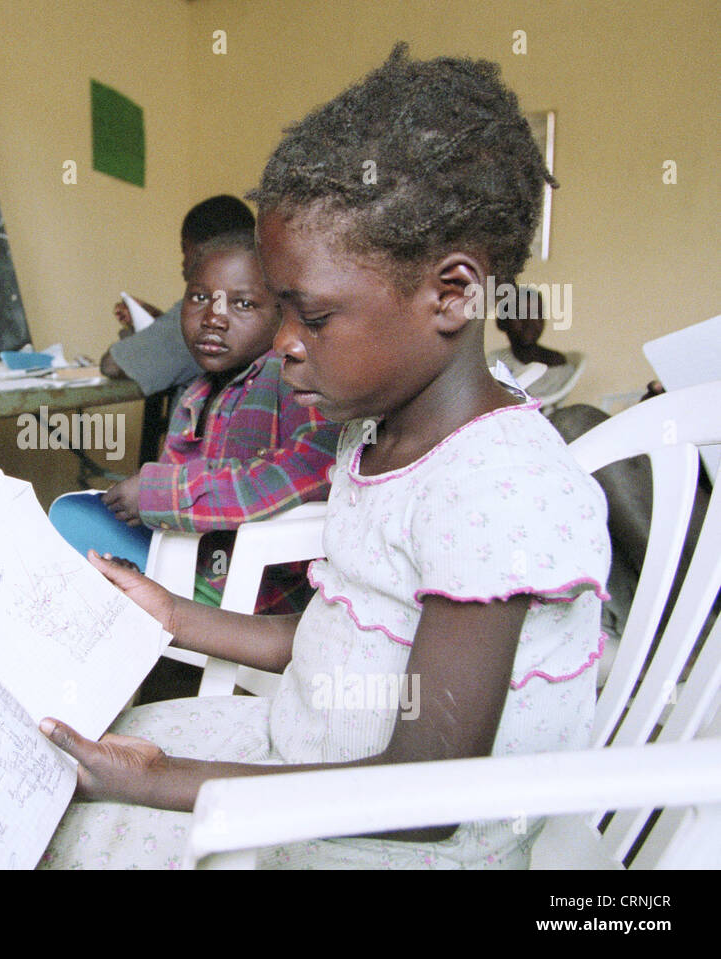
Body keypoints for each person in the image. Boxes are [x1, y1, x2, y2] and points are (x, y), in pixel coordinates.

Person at [38, 44, 611, 869]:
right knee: (81, 760)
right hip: (307, 750)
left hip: (401, 843)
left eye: (311, 316)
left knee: (99, 813)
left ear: (451, 293)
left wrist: (165, 783)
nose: (283, 346)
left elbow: (425, 802)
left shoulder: (499, 487)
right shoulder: (372, 431)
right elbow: (327, 638)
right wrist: (172, 612)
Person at [100, 227, 339, 615]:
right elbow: (171, 493)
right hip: (192, 568)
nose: (213, 318)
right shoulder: (196, 391)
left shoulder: (291, 377)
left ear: (281, 314)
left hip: (260, 590)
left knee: (107, 607)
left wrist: (160, 493)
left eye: (242, 304)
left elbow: (309, 470)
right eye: (198, 298)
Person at [99, 194, 255, 399]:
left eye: (185, 249)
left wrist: (141, 333)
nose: (213, 320)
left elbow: (113, 364)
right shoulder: (264, 313)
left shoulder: (202, 320)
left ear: (206, 248)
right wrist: (158, 320)